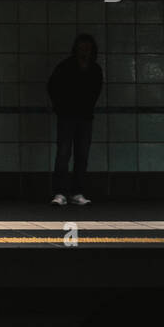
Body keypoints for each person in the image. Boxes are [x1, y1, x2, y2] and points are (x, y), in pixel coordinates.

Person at [46, 33, 103, 206]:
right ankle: (62, 192)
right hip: (71, 115)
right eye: (82, 47)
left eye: (87, 47)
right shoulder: (69, 67)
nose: (84, 50)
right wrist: (62, 107)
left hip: (80, 116)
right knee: (65, 154)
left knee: (79, 155)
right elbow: (53, 87)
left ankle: (73, 192)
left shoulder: (92, 69)